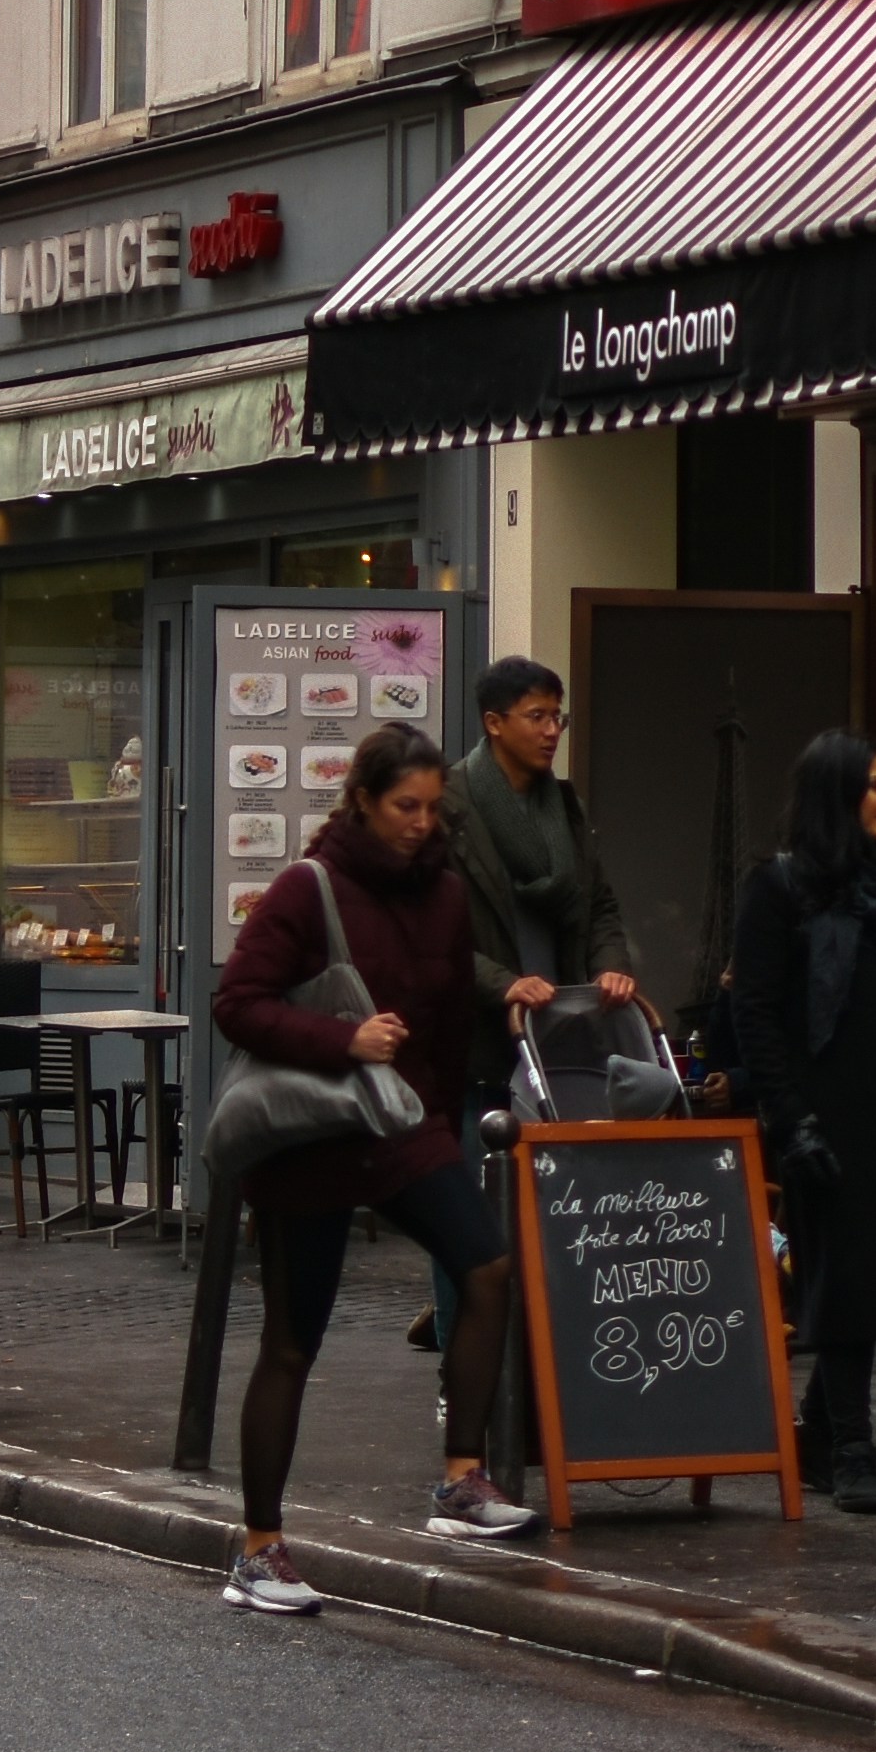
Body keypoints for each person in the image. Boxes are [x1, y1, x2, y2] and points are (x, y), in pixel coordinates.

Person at [210, 721, 533, 1610]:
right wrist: (341, 1039)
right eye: (403, 806)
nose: (420, 823)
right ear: (360, 800)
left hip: (400, 1125)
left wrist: (436, 1124)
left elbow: (446, 1024)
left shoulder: (446, 896)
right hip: (312, 1136)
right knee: (292, 1344)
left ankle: (461, 1478)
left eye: (432, 808)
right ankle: (259, 1550)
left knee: (488, 1268)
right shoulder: (307, 888)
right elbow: (237, 1003)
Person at [724, 732, 876, 1511]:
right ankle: (854, 1449)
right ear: (836, 796)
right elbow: (755, 1012)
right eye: (874, 785)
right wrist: (790, 1118)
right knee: (848, 1278)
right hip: (823, 1115)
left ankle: (822, 1431)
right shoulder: (779, 888)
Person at [440, 655, 640, 1064]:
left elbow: (599, 905)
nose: (552, 732)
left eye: (557, 718)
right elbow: (428, 935)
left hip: (562, 1027)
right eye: (537, 717)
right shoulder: (448, 807)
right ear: (494, 723)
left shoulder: (565, 806)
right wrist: (503, 984)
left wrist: (610, 966)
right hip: (478, 1036)